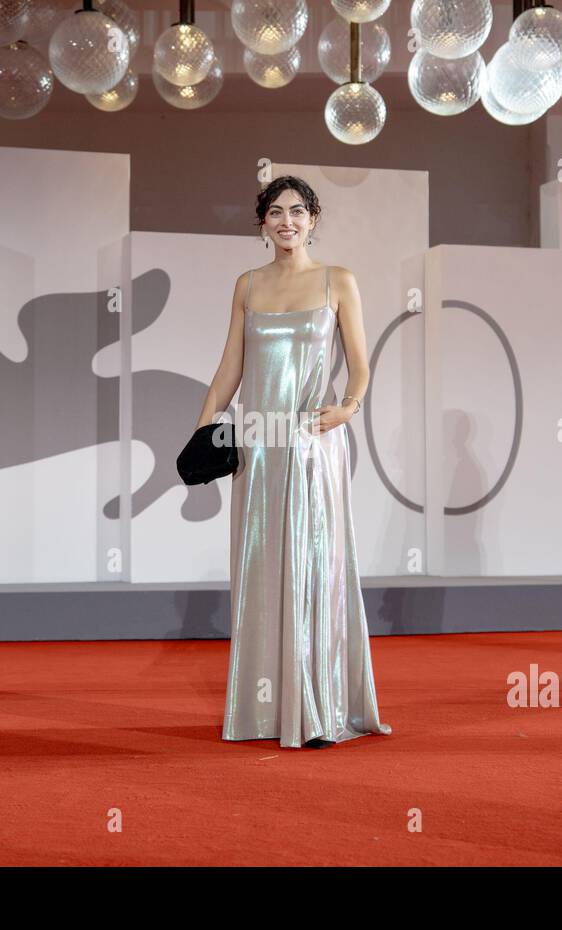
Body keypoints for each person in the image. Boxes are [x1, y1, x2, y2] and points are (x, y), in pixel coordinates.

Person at [195, 175, 392, 748]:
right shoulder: (248, 285)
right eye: (276, 212)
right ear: (262, 224)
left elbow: (360, 363)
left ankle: (322, 708)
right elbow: (229, 367)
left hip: (313, 444)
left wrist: (349, 408)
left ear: (313, 219)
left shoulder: (339, 281)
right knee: (262, 572)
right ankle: (266, 711)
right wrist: (204, 429)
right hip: (260, 447)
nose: (287, 222)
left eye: (298, 212)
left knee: (316, 569)